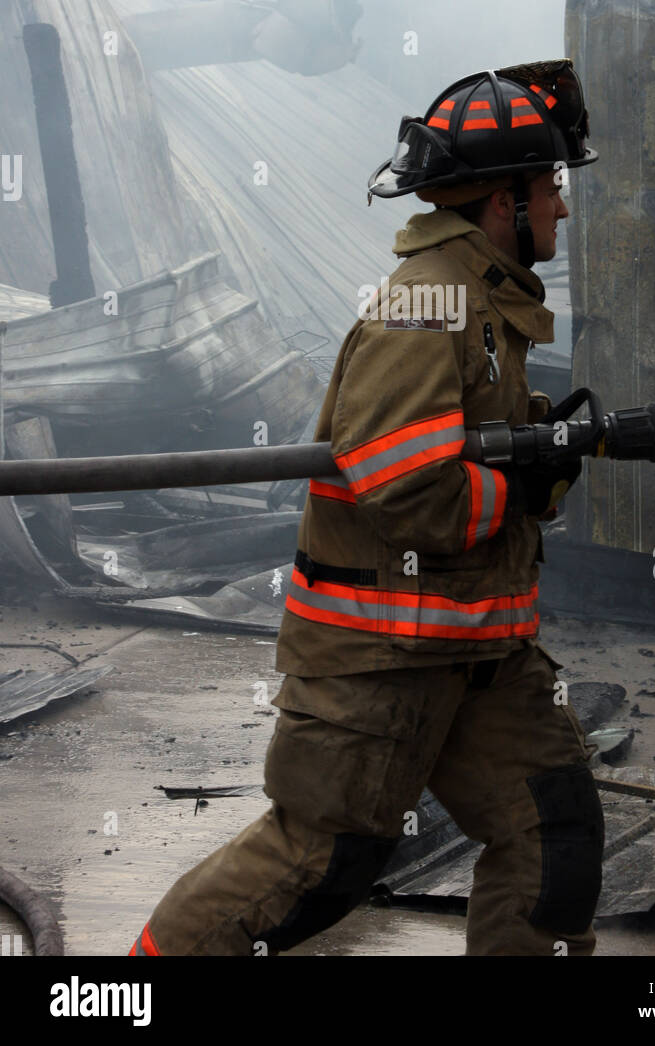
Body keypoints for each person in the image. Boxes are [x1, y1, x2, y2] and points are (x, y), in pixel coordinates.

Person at [129, 58, 605, 958]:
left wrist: (540, 456)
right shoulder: (425, 311)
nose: (562, 207)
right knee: (318, 860)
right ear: (504, 200)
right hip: (380, 659)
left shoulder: (485, 302)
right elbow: (409, 490)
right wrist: (522, 485)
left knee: (556, 834)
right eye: (550, 185)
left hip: (477, 654)